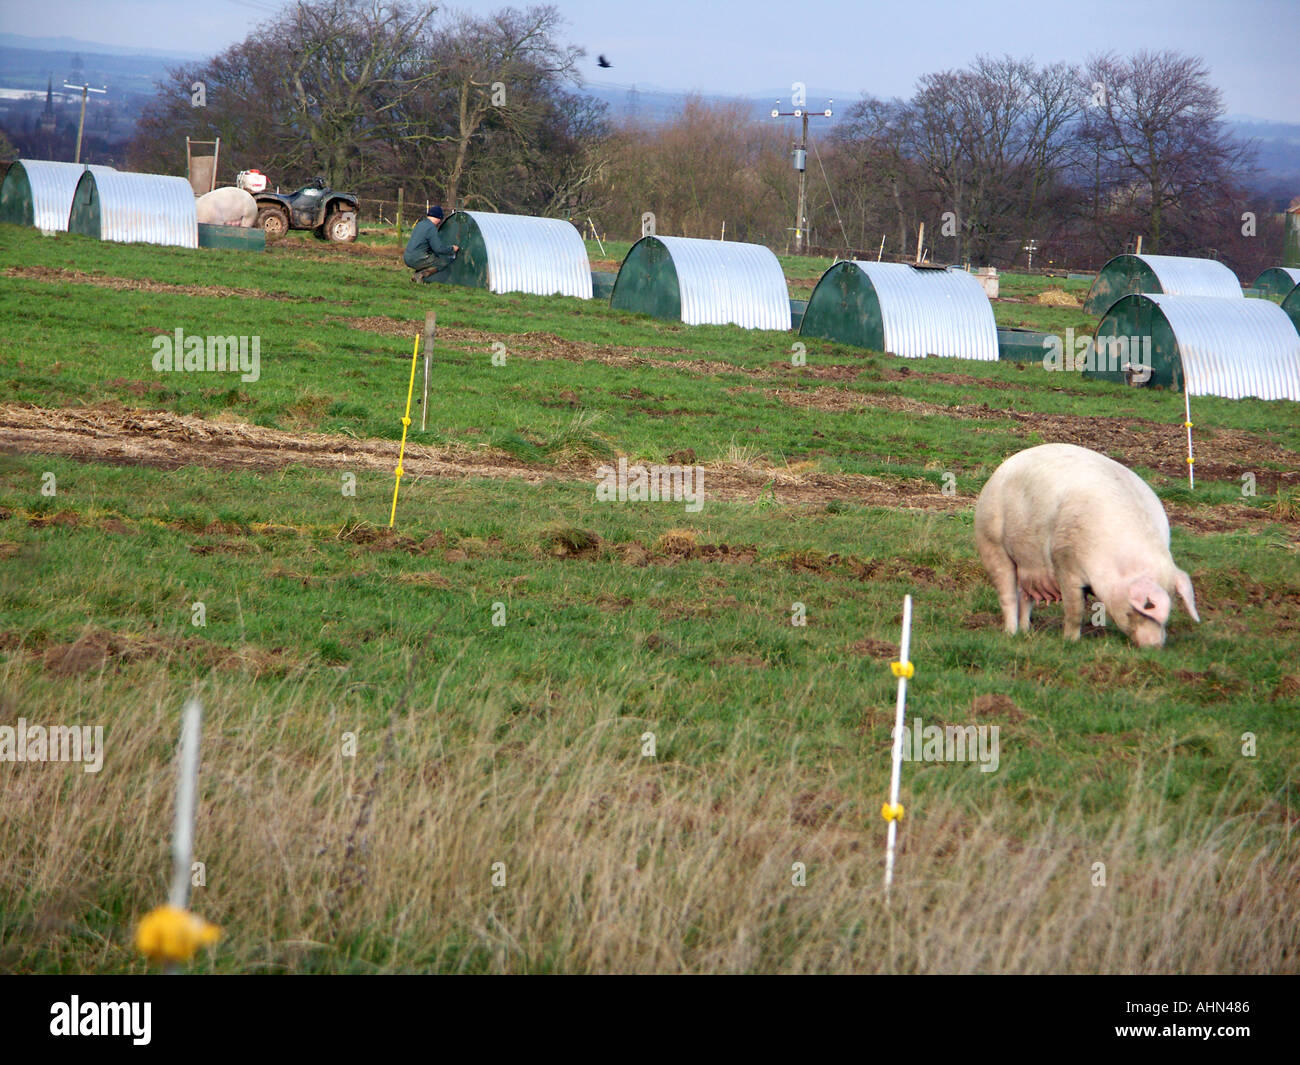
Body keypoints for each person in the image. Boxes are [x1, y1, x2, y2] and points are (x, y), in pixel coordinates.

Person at [403, 205, 460, 283]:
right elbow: (438, 249)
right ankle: (420, 275)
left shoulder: (420, 224)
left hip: (407, 257)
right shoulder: (431, 228)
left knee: (431, 259)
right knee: (444, 261)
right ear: (438, 218)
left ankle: (417, 275)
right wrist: (452, 249)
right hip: (417, 258)